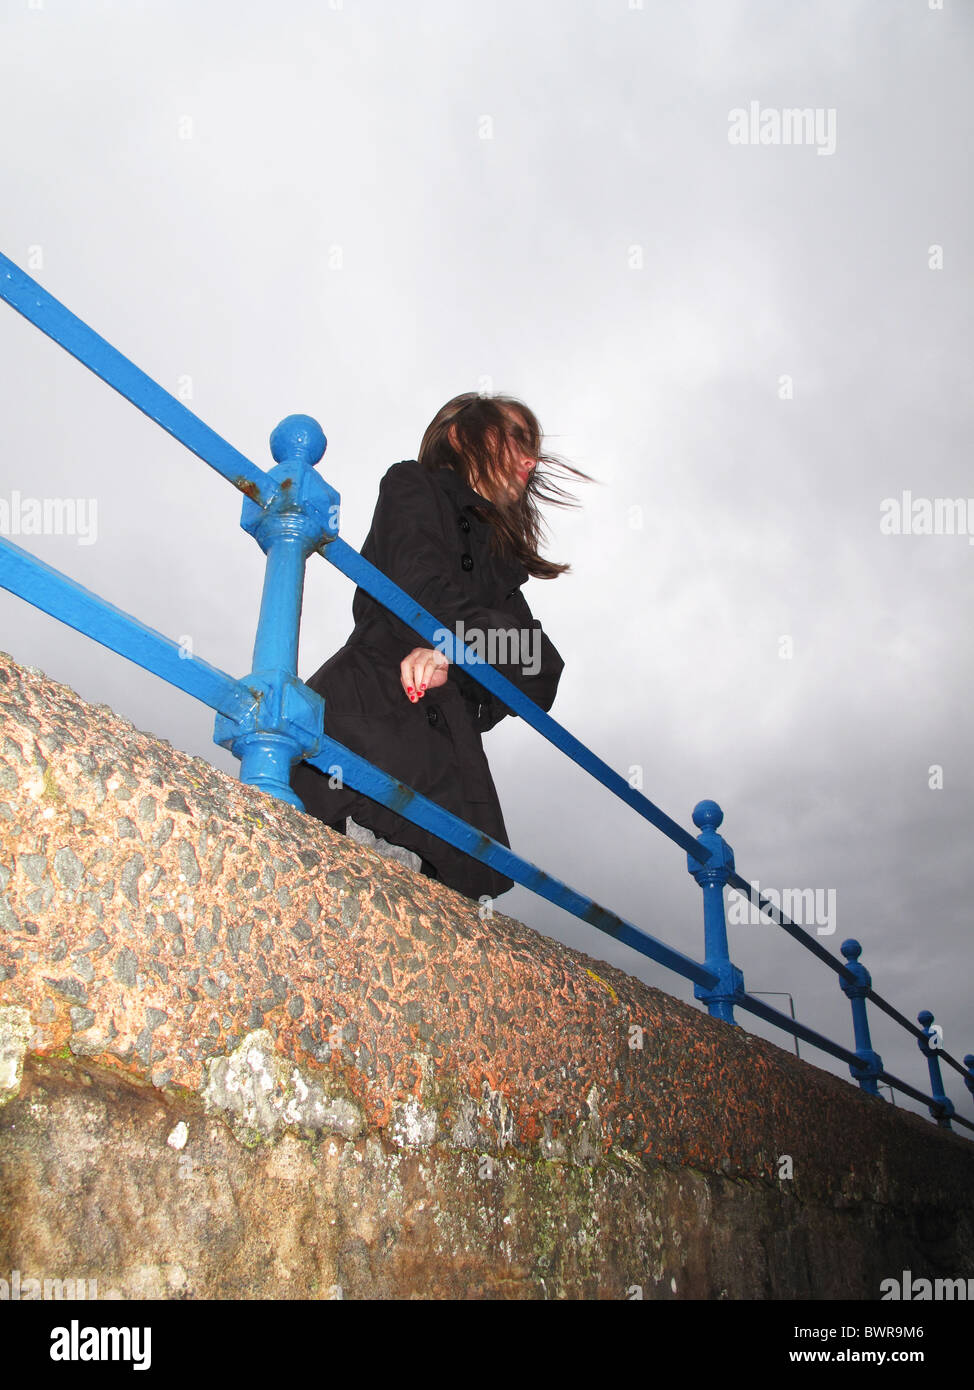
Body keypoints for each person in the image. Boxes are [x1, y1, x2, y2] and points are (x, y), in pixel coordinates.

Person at [289, 392, 589, 903]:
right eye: (514, 437)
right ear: (459, 434)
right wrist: (476, 648)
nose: (530, 460)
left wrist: (456, 659)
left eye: (533, 447)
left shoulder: (501, 573)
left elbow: (543, 671)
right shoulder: (412, 485)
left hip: (450, 787)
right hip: (365, 737)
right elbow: (420, 591)